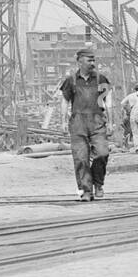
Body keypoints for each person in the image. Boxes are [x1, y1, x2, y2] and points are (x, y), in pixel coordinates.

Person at [58, 47, 112, 200]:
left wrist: (111, 122)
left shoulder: (101, 79)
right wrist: (62, 121)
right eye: (89, 60)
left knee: (102, 153)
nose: (93, 63)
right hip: (78, 122)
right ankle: (86, 191)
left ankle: (98, 183)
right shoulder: (71, 80)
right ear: (80, 61)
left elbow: (108, 101)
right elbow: (64, 101)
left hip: (97, 120)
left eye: (94, 60)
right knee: (81, 158)